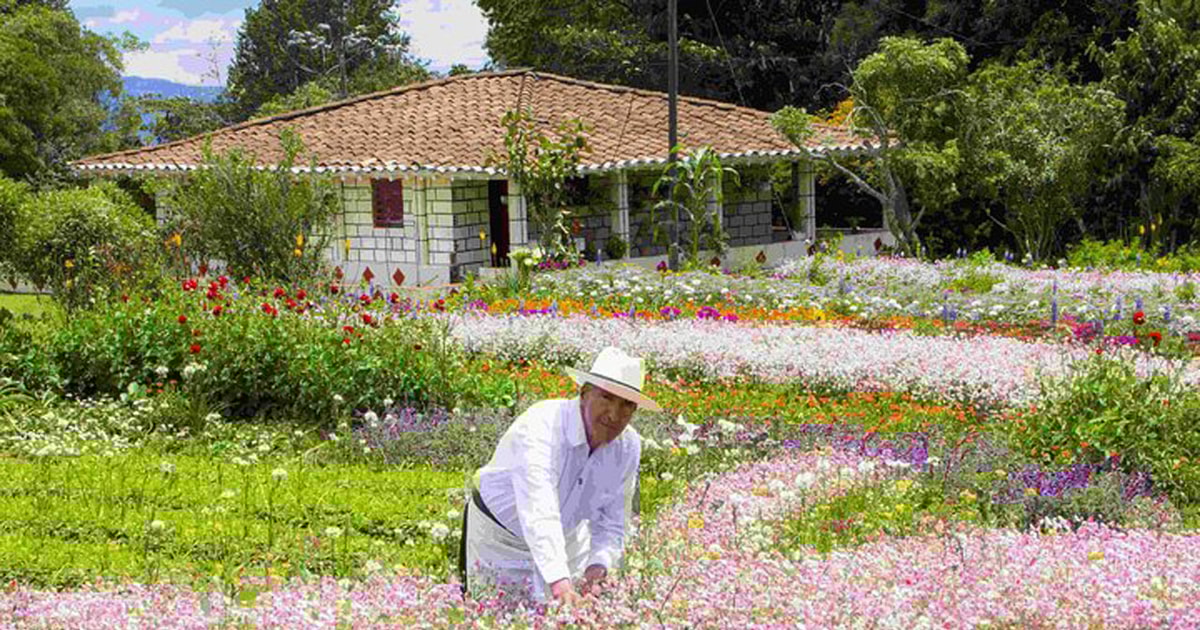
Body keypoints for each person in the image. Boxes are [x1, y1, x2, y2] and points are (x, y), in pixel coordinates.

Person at [458, 346, 660, 604]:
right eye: (607, 398)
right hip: (499, 540)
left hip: (567, 541)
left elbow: (613, 519)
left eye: (627, 405)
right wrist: (559, 583)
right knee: (492, 613)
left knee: (566, 613)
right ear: (585, 393)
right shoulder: (542, 425)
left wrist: (598, 567)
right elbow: (538, 506)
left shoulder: (628, 445)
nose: (614, 414)